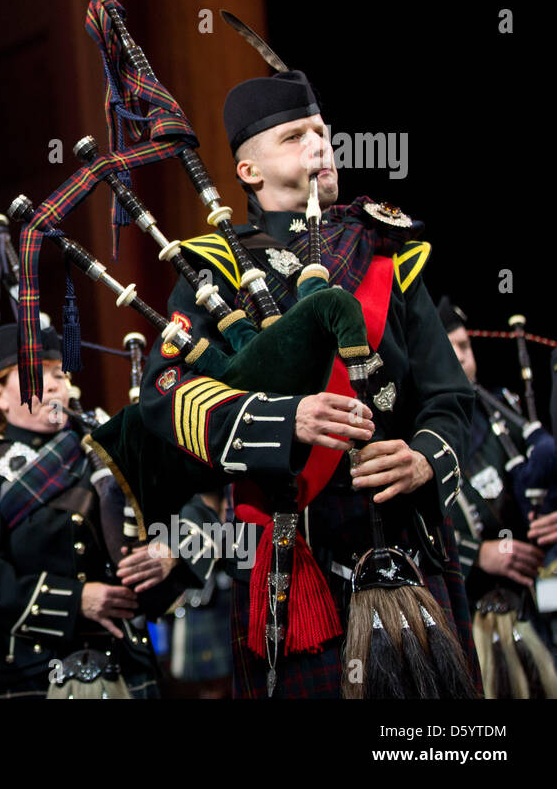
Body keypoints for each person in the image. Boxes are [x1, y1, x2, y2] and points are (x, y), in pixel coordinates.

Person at [137, 70, 478, 697]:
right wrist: (281, 421)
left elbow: (453, 400)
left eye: (322, 131)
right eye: (295, 136)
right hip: (293, 565)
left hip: (406, 544)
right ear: (248, 173)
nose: (320, 144)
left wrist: (425, 461)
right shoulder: (212, 269)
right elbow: (165, 398)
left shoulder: (388, 254)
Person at [0, 324, 202, 698]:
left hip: (126, 662)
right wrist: (76, 601)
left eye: (59, 374)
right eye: (34, 375)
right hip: (29, 674)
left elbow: (194, 510)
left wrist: (170, 551)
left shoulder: (106, 445)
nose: (54, 386)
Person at [438, 297, 557, 696]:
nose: (464, 358)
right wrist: (478, 553)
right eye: (450, 348)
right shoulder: (416, 433)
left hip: (534, 608)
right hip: (464, 616)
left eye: (466, 347)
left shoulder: (506, 413)